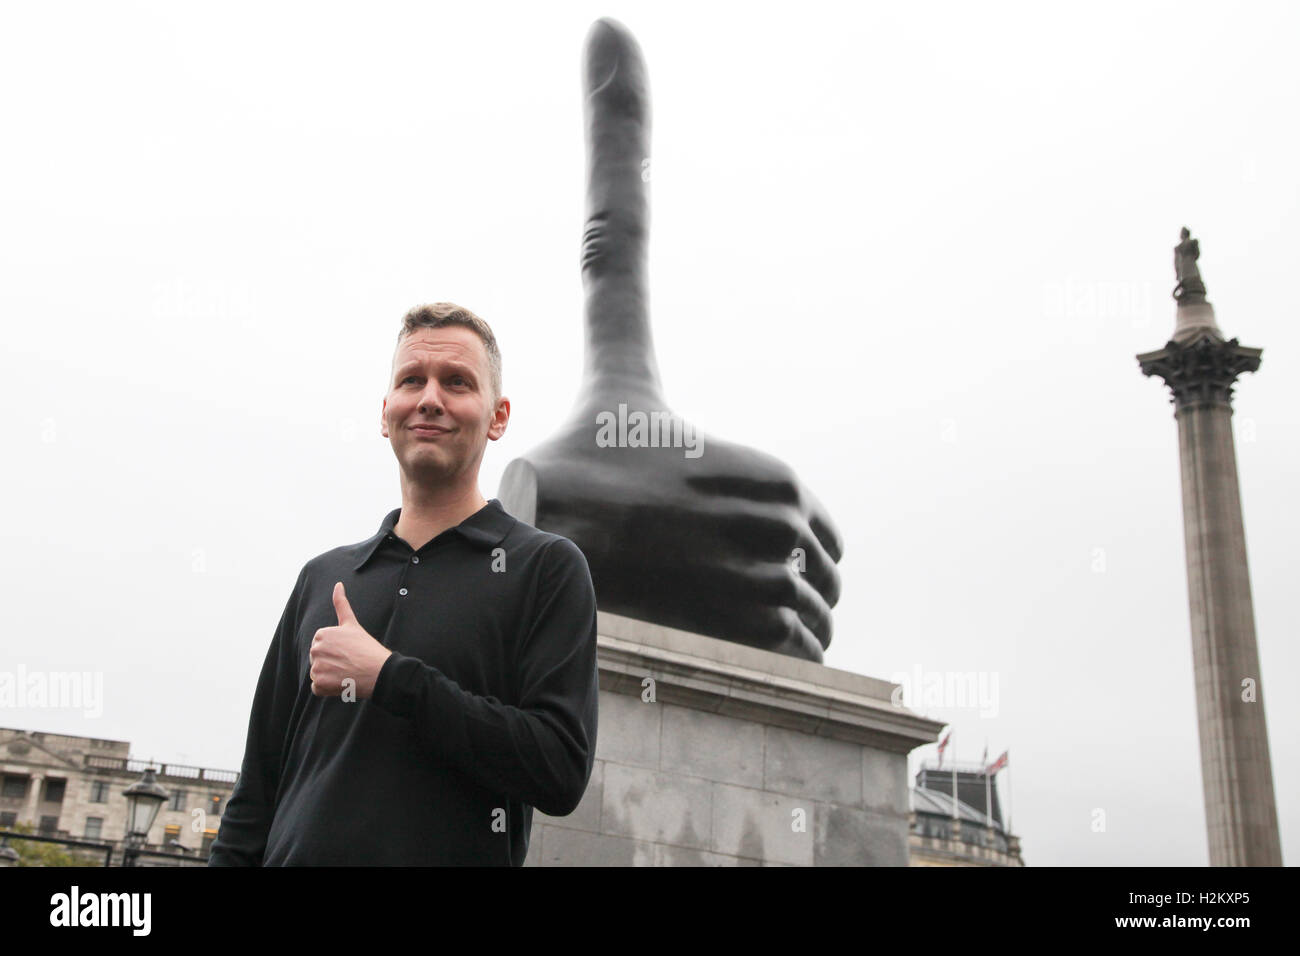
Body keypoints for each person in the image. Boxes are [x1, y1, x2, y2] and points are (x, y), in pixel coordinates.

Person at [208, 302, 599, 866]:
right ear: (385, 410)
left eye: (457, 382)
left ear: (498, 416)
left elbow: (560, 769)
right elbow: (257, 790)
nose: (430, 398)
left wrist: (390, 677)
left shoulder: (547, 568)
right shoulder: (324, 576)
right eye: (411, 380)